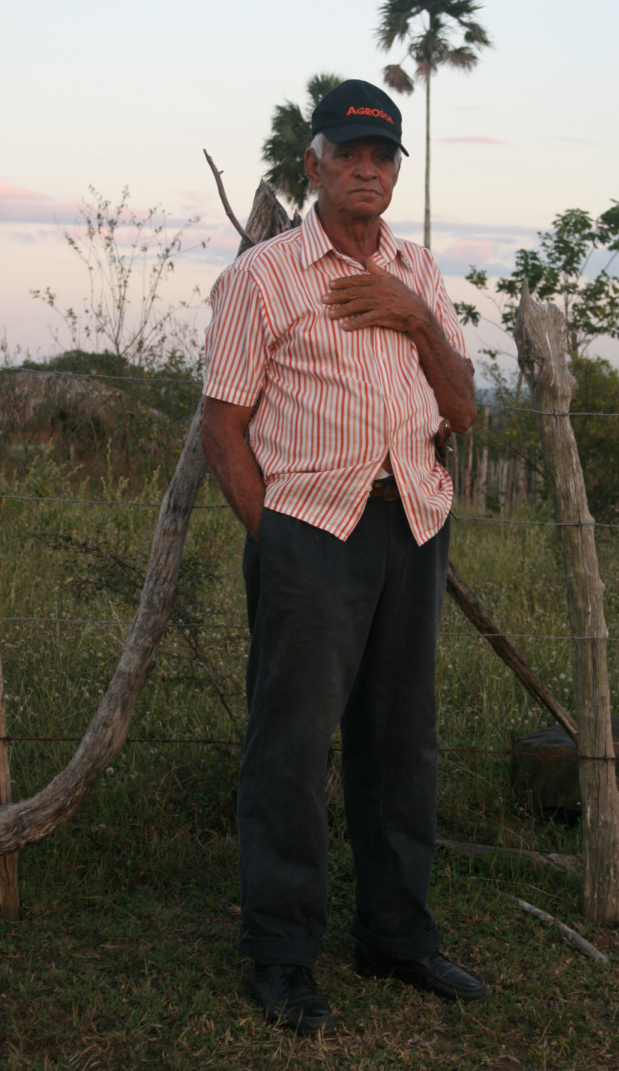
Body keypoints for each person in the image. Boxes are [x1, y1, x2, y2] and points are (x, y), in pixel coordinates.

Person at [202, 79, 485, 1036]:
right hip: (311, 533)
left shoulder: (419, 270)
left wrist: (411, 313)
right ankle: (282, 954)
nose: (367, 169)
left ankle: (397, 937)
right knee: (290, 747)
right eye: (348, 152)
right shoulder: (265, 277)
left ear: (397, 171)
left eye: (383, 155)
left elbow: (462, 407)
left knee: (401, 742)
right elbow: (223, 426)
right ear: (313, 164)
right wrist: (274, 535)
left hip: (411, 520)